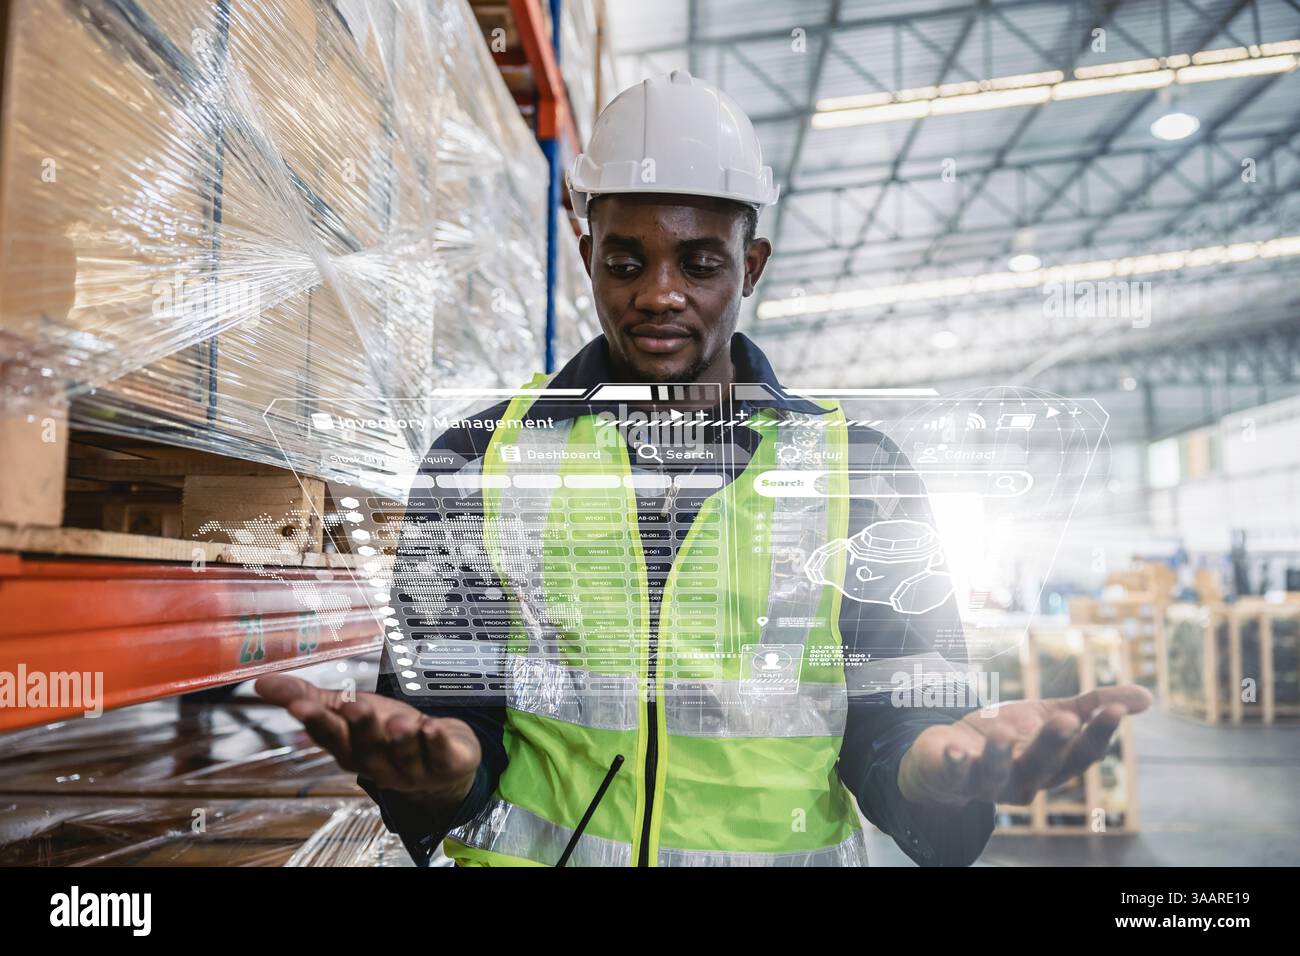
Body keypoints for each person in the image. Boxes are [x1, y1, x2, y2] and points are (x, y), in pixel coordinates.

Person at [256, 70, 1150, 867]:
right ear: (588, 257)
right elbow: (445, 728)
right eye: (626, 260)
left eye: (701, 262)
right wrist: (435, 779)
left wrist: (937, 777)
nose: (659, 293)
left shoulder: (858, 472)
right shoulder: (478, 461)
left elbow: (898, 723)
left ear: (750, 265)